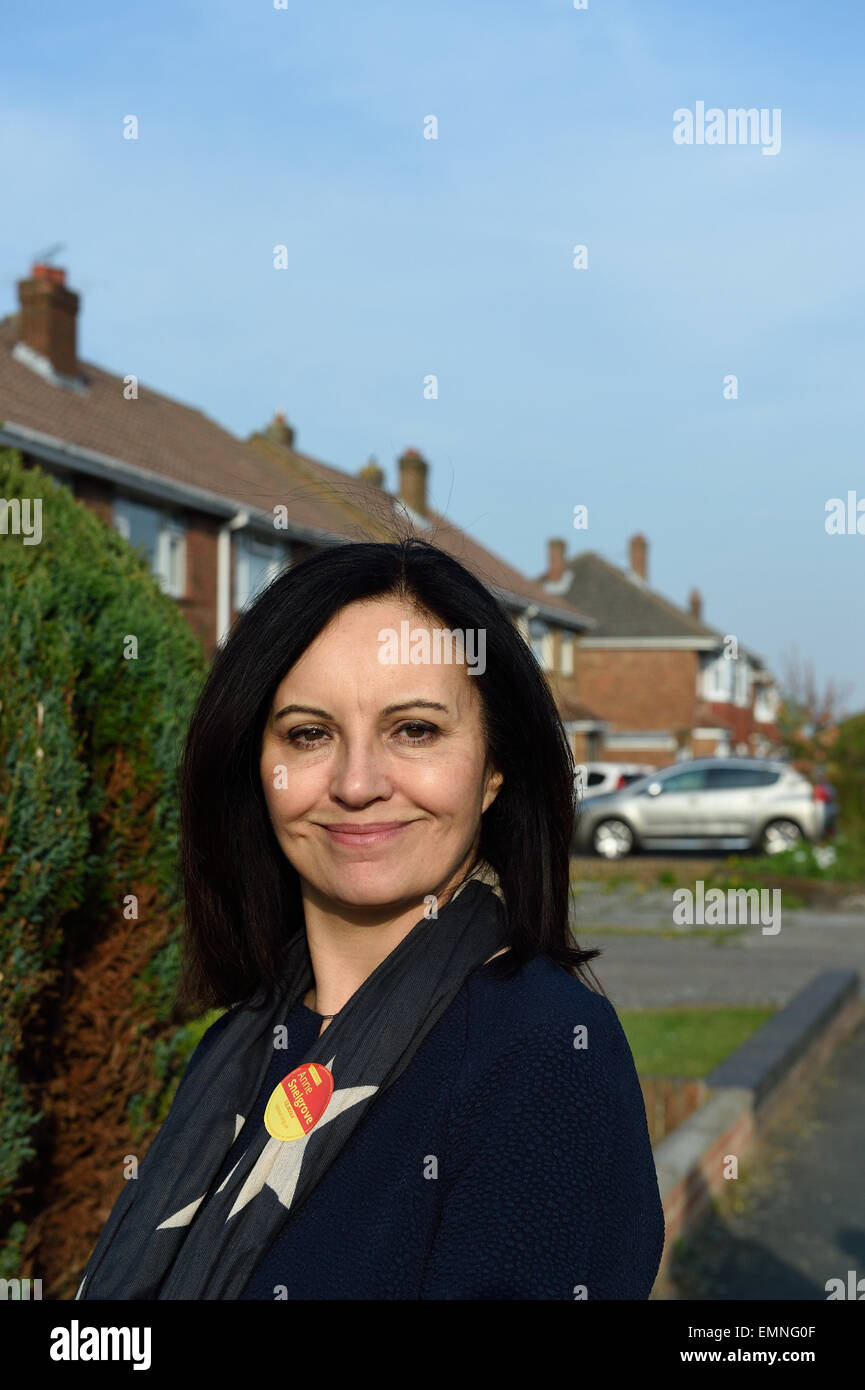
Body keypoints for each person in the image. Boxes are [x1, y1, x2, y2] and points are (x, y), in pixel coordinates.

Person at [75, 537, 665, 1300]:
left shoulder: (543, 1055)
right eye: (308, 734)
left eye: (414, 730)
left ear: (493, 768)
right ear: (255, 767)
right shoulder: (244, 1040)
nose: (356, 784)